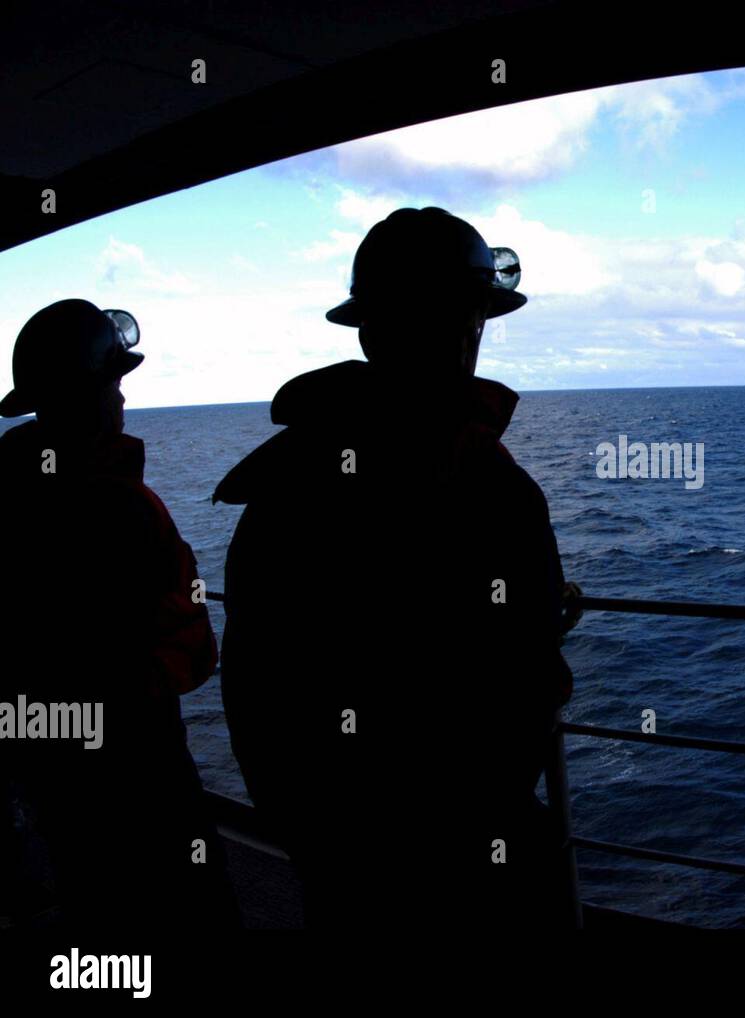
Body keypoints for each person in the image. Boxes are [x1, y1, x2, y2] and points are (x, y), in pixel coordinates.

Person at [214, 207, 577, 931]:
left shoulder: (283, 486)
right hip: (465, 874)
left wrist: (319, 844)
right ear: (472, 323)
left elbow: (256, 687)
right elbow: (524, 685)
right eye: (473, 314)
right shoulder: (493, 490)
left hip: (342, 863)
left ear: (367, 330)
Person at [0, 298, 237, 930]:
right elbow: (193, 657)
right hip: (140, 769)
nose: (124, 401)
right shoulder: (127, 509)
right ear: (93, 397)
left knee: (91, 896)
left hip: (46, 758)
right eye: (117, 384)